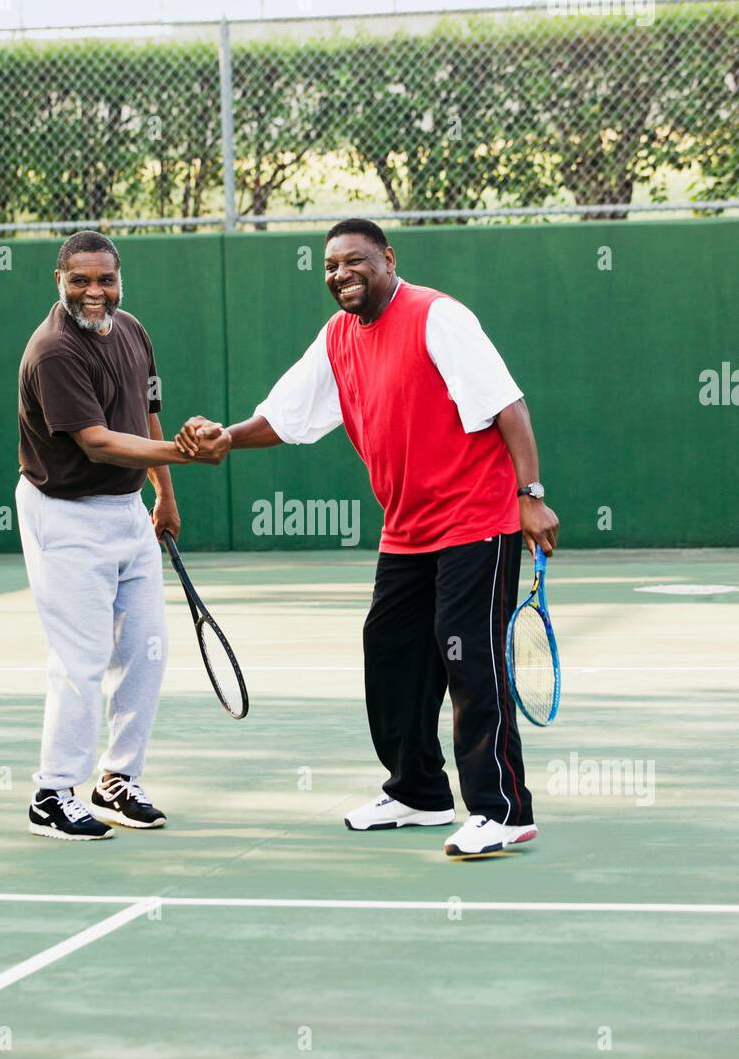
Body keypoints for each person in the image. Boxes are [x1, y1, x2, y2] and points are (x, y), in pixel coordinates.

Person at [175, 219, 559, 856]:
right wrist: (227, 437)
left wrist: (530, 496)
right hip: (406, 529)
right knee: (391, 655)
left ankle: (502, 810)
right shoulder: (337, 339)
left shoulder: (439, 317)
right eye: (330, 266)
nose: (340, 274)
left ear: (387, 258)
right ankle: (418, 793)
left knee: (468, 659)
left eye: (354, 261)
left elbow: (507, 405)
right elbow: (287, 415)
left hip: (475, 521)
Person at [16, 230, 226, 841]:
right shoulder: (53, 350)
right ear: (59, 280)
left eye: (104, 279)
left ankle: (117, 780)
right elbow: (99, 442)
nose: (93, 291)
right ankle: (52, 794)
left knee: (143, 652)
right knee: (80, 661)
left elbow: (146, 412)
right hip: (64, 516)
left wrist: (165, 491)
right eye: (80, 279)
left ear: (119, 279)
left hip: (128, 509)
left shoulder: (132, 330)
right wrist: (187, 455)